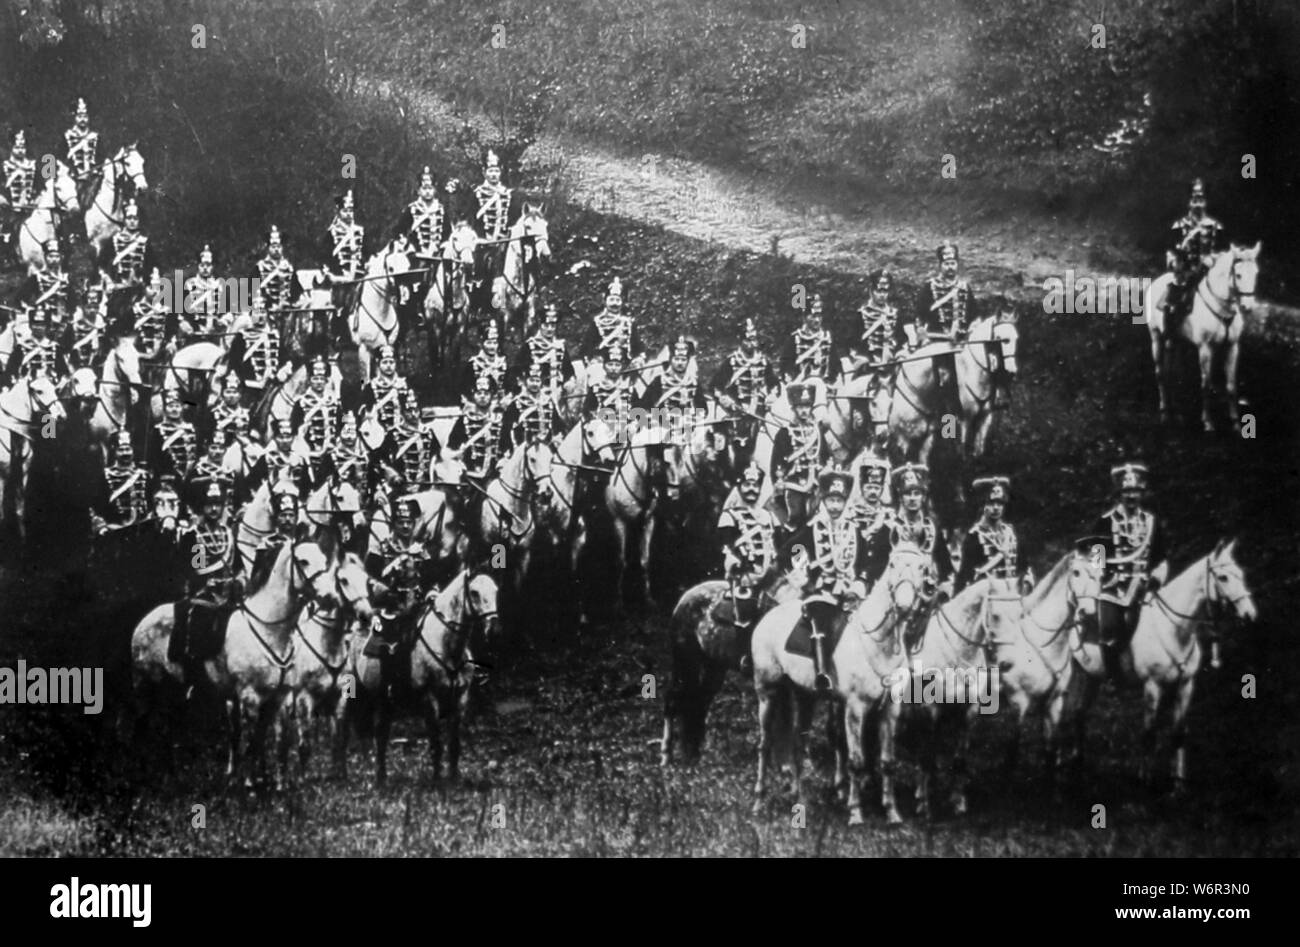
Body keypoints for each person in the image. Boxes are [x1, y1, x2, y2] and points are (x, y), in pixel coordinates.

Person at [785, 468, 868, 689]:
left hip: (850, 591)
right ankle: (822, 673)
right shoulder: (812, 528)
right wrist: (805, 580)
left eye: (839, 501)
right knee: (820, 615)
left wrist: (860, 582)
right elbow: (790, 552)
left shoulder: (854, 529)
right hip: (822, 591)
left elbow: (863, 562)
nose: (834, 506)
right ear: (823, 500)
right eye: (830, 500)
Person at [863, 463, 953, 647]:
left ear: (923, 496)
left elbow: (945, 566)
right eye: (907, 493)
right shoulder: (889, 527)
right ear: (901, 497)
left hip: (927, 597)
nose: (912, 498)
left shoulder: (931, 527)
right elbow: (875, 566)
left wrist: (945, 586)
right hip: (894, 595)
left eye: (917, 493)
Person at [1091, 461, 1167, 677]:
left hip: (1144, 587)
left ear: (1142, 493)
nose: (1131, 496)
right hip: (1112, 589)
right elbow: (1096, 561)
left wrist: (1157, 577)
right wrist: (1100, 578)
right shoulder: (1105, 522)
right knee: (1108, 631)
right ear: (1119, 494)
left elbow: (1161, 558)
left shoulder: (1152, 522)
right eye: (1127, 491)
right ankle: (1115, 678)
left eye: (1135, 491)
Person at [169, 478, 242, 689]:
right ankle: (195, 678)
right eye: (209, 504)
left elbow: (236, 565)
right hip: (203, 595)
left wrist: (239, 579)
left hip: (229, 594)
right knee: (200, 625)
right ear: (202, 506)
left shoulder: (228, 534)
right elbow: (196, 569)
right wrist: (209, 584)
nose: (213, 509)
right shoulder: (195, 535)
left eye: (217, 504)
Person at [717, 462, 784, 672]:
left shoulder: (769, 516)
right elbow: (725, 546)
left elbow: (782, 544)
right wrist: (735, 561)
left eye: (756, 485)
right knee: (745, 606)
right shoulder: (729, 515)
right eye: (747, 484)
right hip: (745, 575)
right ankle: (745, 656)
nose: (752, 489)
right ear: (739, 486)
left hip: (771, 575)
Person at [1164, 178, 1226, 332]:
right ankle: (1170, 334)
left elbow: (1221, 251)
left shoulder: (1215, 226)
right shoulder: (1179, 225)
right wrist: (1173, 261)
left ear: (1205, 202)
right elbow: (1171, 249)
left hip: (1208, 271)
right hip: (1185, 271)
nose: (1198, 203)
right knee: (1173, 300)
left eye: (1201, 200)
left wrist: (1213, 258)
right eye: (1194, 200)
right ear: (1189, 202)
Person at [770, 382, 825, 527]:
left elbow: (825, 456)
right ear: (793, 409)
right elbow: (776, 463)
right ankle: (794, 547)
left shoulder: (817, 432)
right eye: (800, 407)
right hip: (793, 484)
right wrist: (779, 481)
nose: (804, 411)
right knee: (795, 518)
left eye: (807, 407)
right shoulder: (784, 433)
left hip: (816, 484)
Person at [955, 475, 1021, 593]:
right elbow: (965, 576)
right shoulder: (974, 536)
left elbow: (1022, 567)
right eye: (991, 503)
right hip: (986, 598)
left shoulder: (1010, 533)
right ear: (983, 506)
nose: (996, 508)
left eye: (1000, 503)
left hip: (1012, 596)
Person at [89, 429, 151, 534]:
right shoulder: (105, 476)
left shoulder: (143, 475)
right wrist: (102, 527)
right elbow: (96, 507)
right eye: (121, 450)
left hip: (142, 529)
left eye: (128, 449)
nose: (125, 453)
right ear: (114, 452)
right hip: (115, 530)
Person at [780, 292, 838, 386]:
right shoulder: (794, 339)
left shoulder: (827, 338)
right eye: (813, 316)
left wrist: (832, 382)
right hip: (800, 387)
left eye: (819, 315)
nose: (817, 320)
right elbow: (786, 366)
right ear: (805, 317)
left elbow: (835, 365)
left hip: (825, 386)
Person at [581, 277, 642, 365]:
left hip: (625, 363)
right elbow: (588, 345)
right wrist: (593, 359)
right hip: (603, 363)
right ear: (605, 302)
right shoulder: (597, 322)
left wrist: (638, 358)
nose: (615, 303)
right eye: (611, 300)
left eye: (618, 300)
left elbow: (637, 345)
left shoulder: (629, 322)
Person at [322, 189, 365, 315]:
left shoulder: (360, 232)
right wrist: (334, 275)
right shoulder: (332, 233)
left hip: (360, 278)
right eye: (345, 211)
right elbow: (326, 257)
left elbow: (367, 253)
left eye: (351, 211)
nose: (348, 214)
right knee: (341, 310)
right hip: (341, 279)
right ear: (339, 212)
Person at [97, 198, 154, 291]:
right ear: (124, 220)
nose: (132, 221)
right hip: (118, 288)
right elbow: (101, 264)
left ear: (139, 221)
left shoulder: (144, 241)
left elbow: (152, 265)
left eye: (135, 218)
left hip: (140, 289)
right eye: (129, 218)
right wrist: (107, 279)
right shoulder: (113, 240)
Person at [183, 244, 227, 342]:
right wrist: (185, 324)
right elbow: (178, 312)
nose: (205, 268)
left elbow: (231, 310)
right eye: (202, 265)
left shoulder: (220, 286)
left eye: (208, 265)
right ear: (198, 266)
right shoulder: (189, 284)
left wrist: (224, 321)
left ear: (213, 267)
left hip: (215, 335)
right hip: (194, 334)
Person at [256, 225, 303, 314]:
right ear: (268, 248)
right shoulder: (259, 268)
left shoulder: (289, 268)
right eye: (273, 247)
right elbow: (251, 292)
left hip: (286, 311)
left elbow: (297, 292)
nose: (276, 249)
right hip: (265, 312)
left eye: (279, 246)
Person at [1, 130, 35, 249]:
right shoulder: (4, 166)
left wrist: (38, 199)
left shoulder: (33, 166)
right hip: (8, 210)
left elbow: (42, 188)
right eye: (17, 147)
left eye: (23, 147)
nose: (20, 150)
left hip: (30, 209)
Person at [63, 98, 99, 188]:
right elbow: (61, 159)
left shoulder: (96, 137)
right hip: (72, 180)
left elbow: (101, 159)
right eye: (79, 116)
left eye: (85, 116)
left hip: (93, 181)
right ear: (74, 117)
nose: (82, 119)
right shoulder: (66, 136)